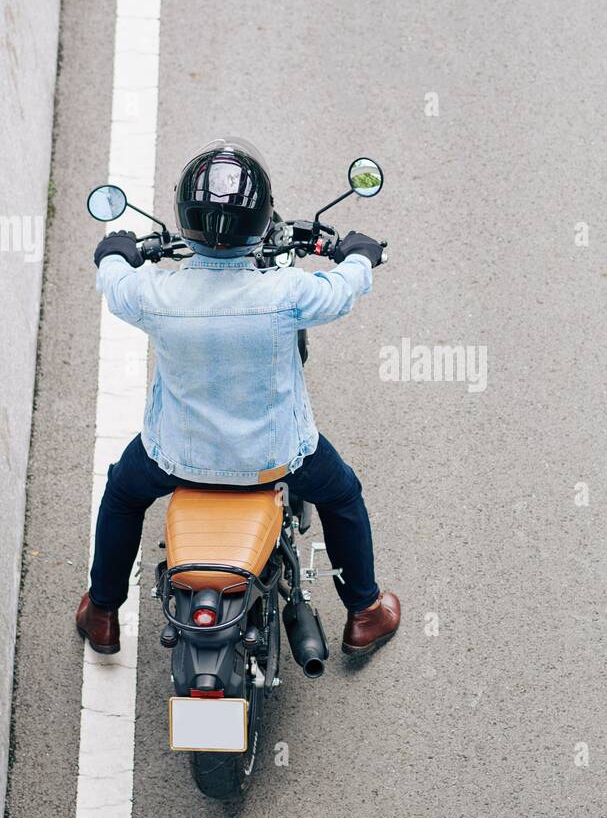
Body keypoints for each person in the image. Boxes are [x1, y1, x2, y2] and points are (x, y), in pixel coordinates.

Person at [75, 137, 400, 659]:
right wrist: (361, 256)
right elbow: (341, 290)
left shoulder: (158, 295)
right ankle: (364, 612)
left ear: (185, 218)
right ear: (261, 219)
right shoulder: (287, 293)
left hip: (176, 459)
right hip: (277, 459)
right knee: (342, 496)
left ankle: (102, 613)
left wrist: (116, 252)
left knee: (122, 493)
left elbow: (113, 281)